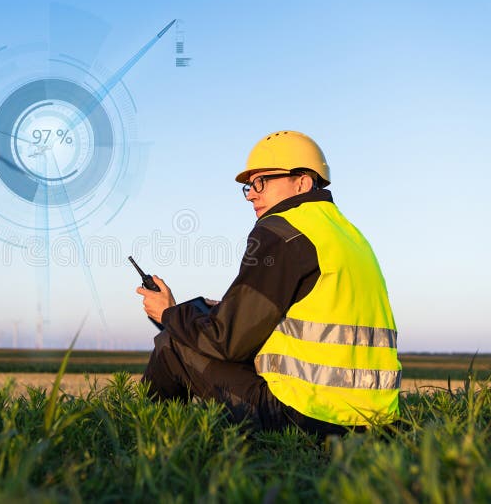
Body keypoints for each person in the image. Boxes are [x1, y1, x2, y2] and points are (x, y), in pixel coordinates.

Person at [136, 130, 401, 435]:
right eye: (249, 186)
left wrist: (169, 313)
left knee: (172, 344)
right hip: (375, 422)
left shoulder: (281, 231)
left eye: (262, 182)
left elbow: (226, 342)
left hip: (308, 418)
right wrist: (228, 309)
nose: (251, 194)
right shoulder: (348, 235)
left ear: (302, 181)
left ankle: (151, 449)